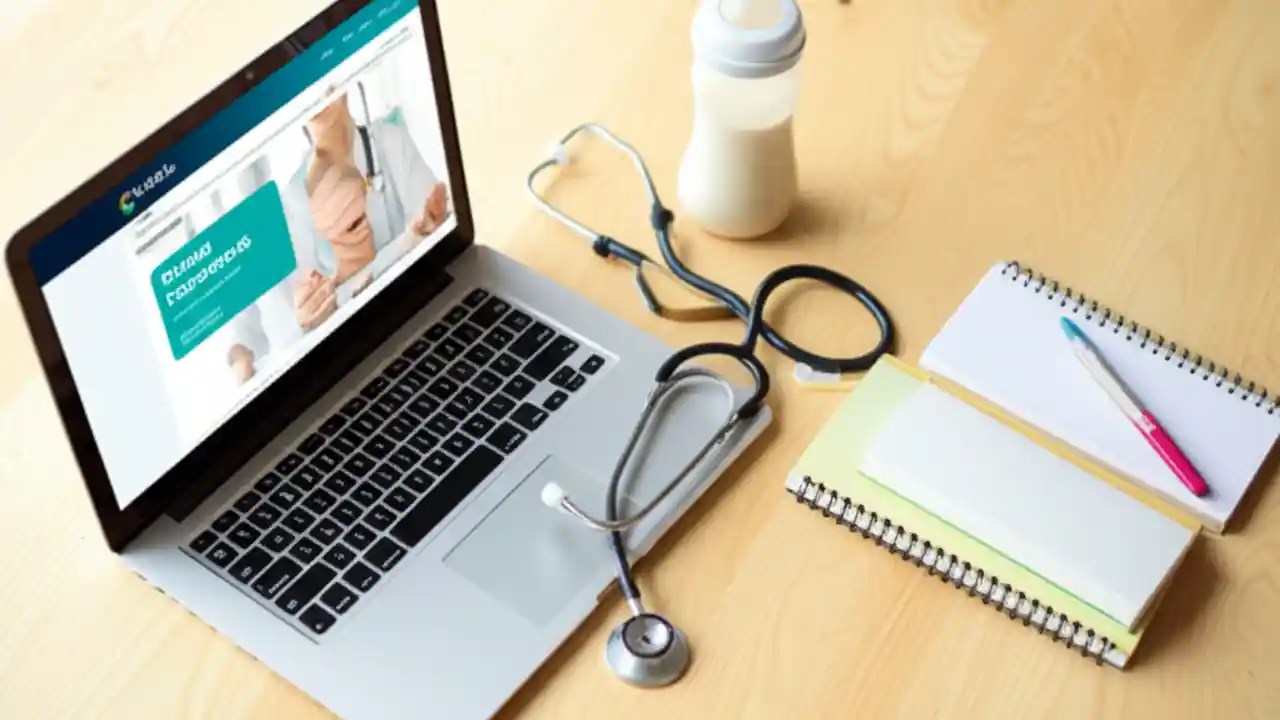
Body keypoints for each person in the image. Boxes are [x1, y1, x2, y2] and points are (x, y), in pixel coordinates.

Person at [224, 89, 450, 383]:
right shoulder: (294, 199)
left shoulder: (389, 141)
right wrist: (308, 319)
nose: (317, 100)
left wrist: (425, 232)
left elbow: (440, 244)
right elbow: (310, 316)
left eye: (324, 89)